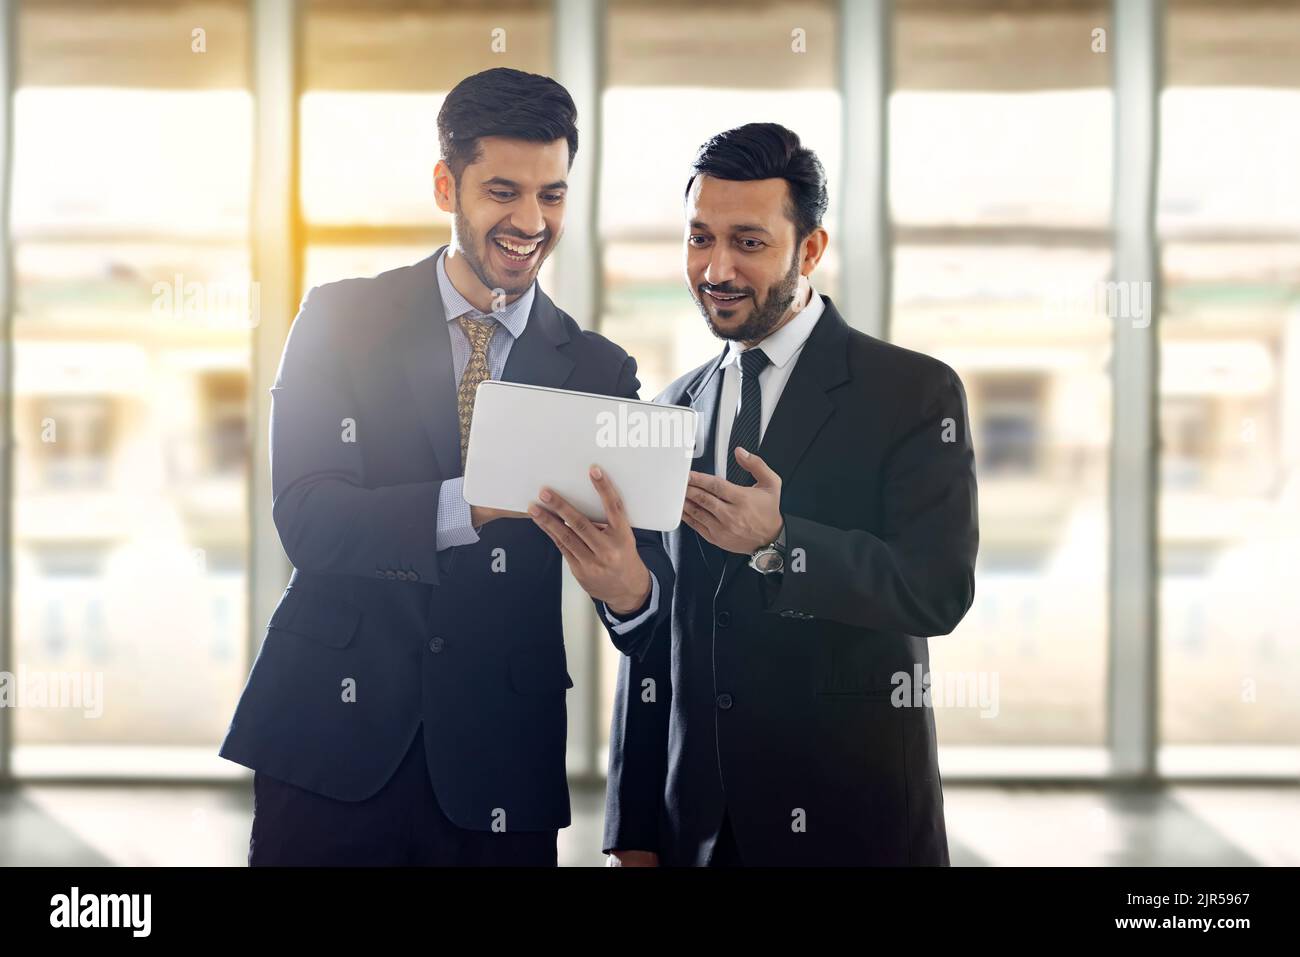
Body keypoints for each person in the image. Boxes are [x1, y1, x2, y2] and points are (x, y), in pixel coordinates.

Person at [220, 68, 669, 866]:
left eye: (552, 195)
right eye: (503, 191)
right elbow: (309, 518)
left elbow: (646, 592)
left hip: (501, 760)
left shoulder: (602, 372)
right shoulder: (340, 317)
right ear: (445, 184)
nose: (530, 221)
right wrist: (476, 503)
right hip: (330, 740)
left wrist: (626, 588)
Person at [604, 123, 978, 866]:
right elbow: (656, 647)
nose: (716, 268)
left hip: (852, 828)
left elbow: (937, 592)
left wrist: (781, 545)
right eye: (699, 238)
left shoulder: (912, 391)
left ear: (810, 250)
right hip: (697, 832)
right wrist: (635, 829)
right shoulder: (673, 407)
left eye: (748, 242)